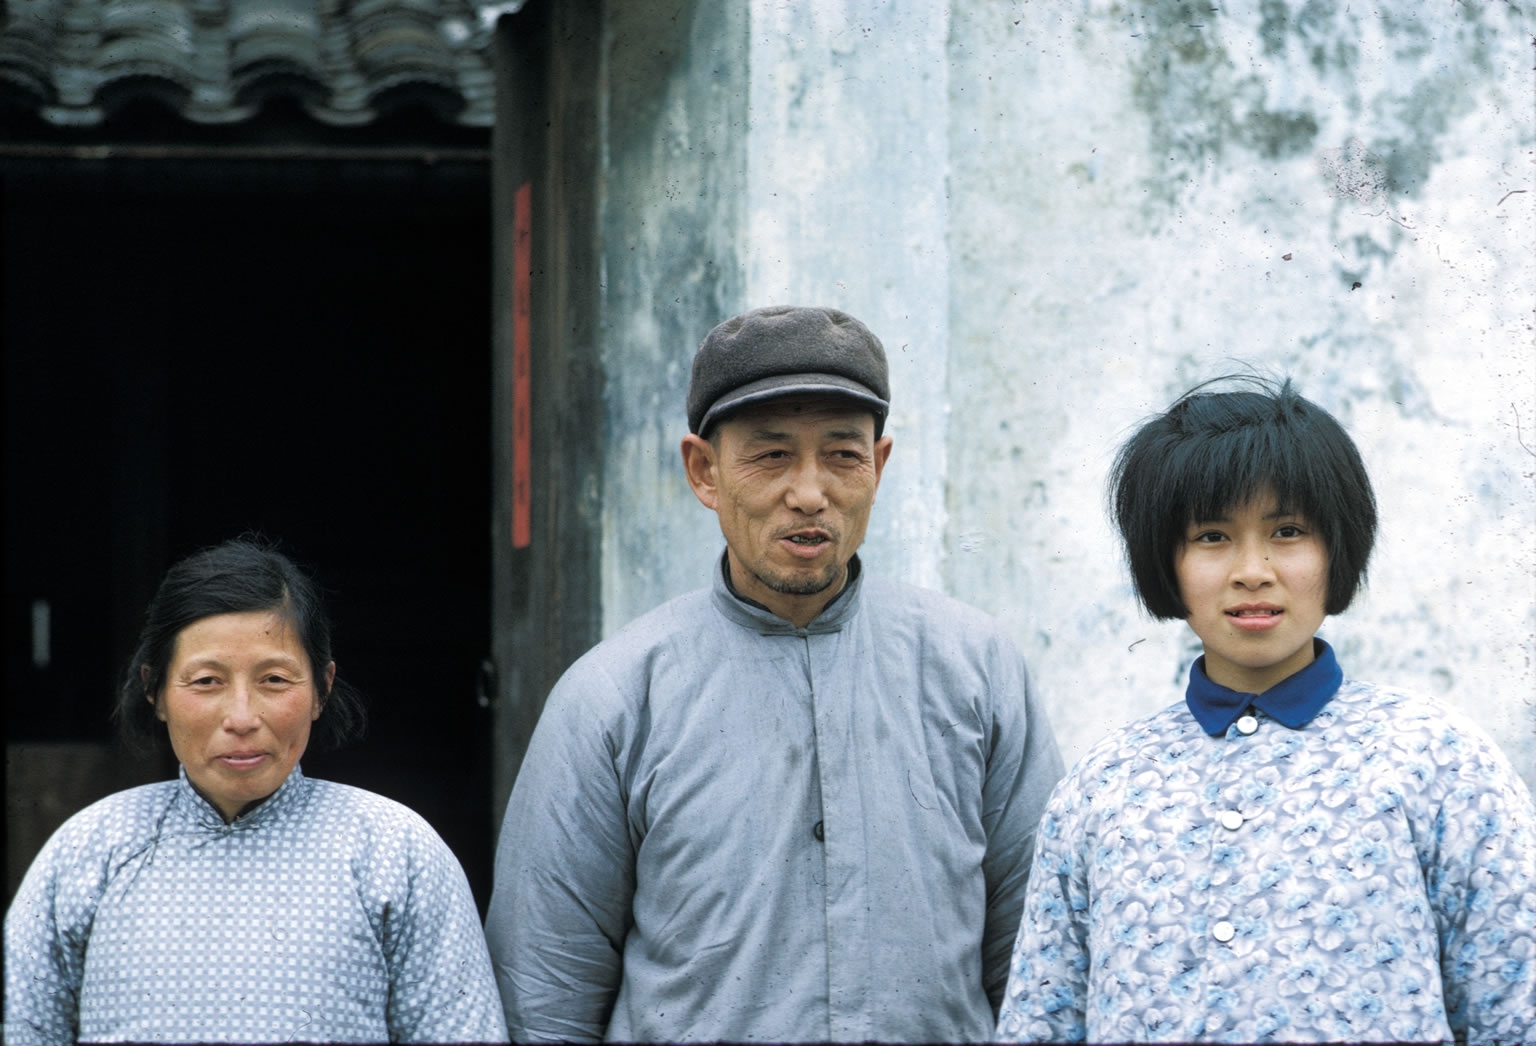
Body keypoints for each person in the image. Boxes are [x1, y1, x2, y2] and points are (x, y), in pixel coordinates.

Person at [484, 304, 1064, 1042]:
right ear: (704, 471)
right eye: (771, 456)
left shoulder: (977, 670)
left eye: (843, 455)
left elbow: (1044, 961)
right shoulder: (613, 698)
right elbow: (543, 998)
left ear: (879, 466)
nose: (810, 493)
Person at [995, 377, 1536, 1043]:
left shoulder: (1440, 762)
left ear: (1337, 549)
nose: (1252, 570)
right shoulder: (1101, 787)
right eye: (1212, 536)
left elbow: (1516, 1011)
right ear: (1165, 560)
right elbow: (1041, 1021)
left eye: (1287, 531)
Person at [4, 537, 508, 1045]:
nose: (241, 717)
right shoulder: (89, 850)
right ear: (156, 691)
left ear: (322, 688)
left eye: (274, 679)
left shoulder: (395, 852)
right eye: (206, 681)